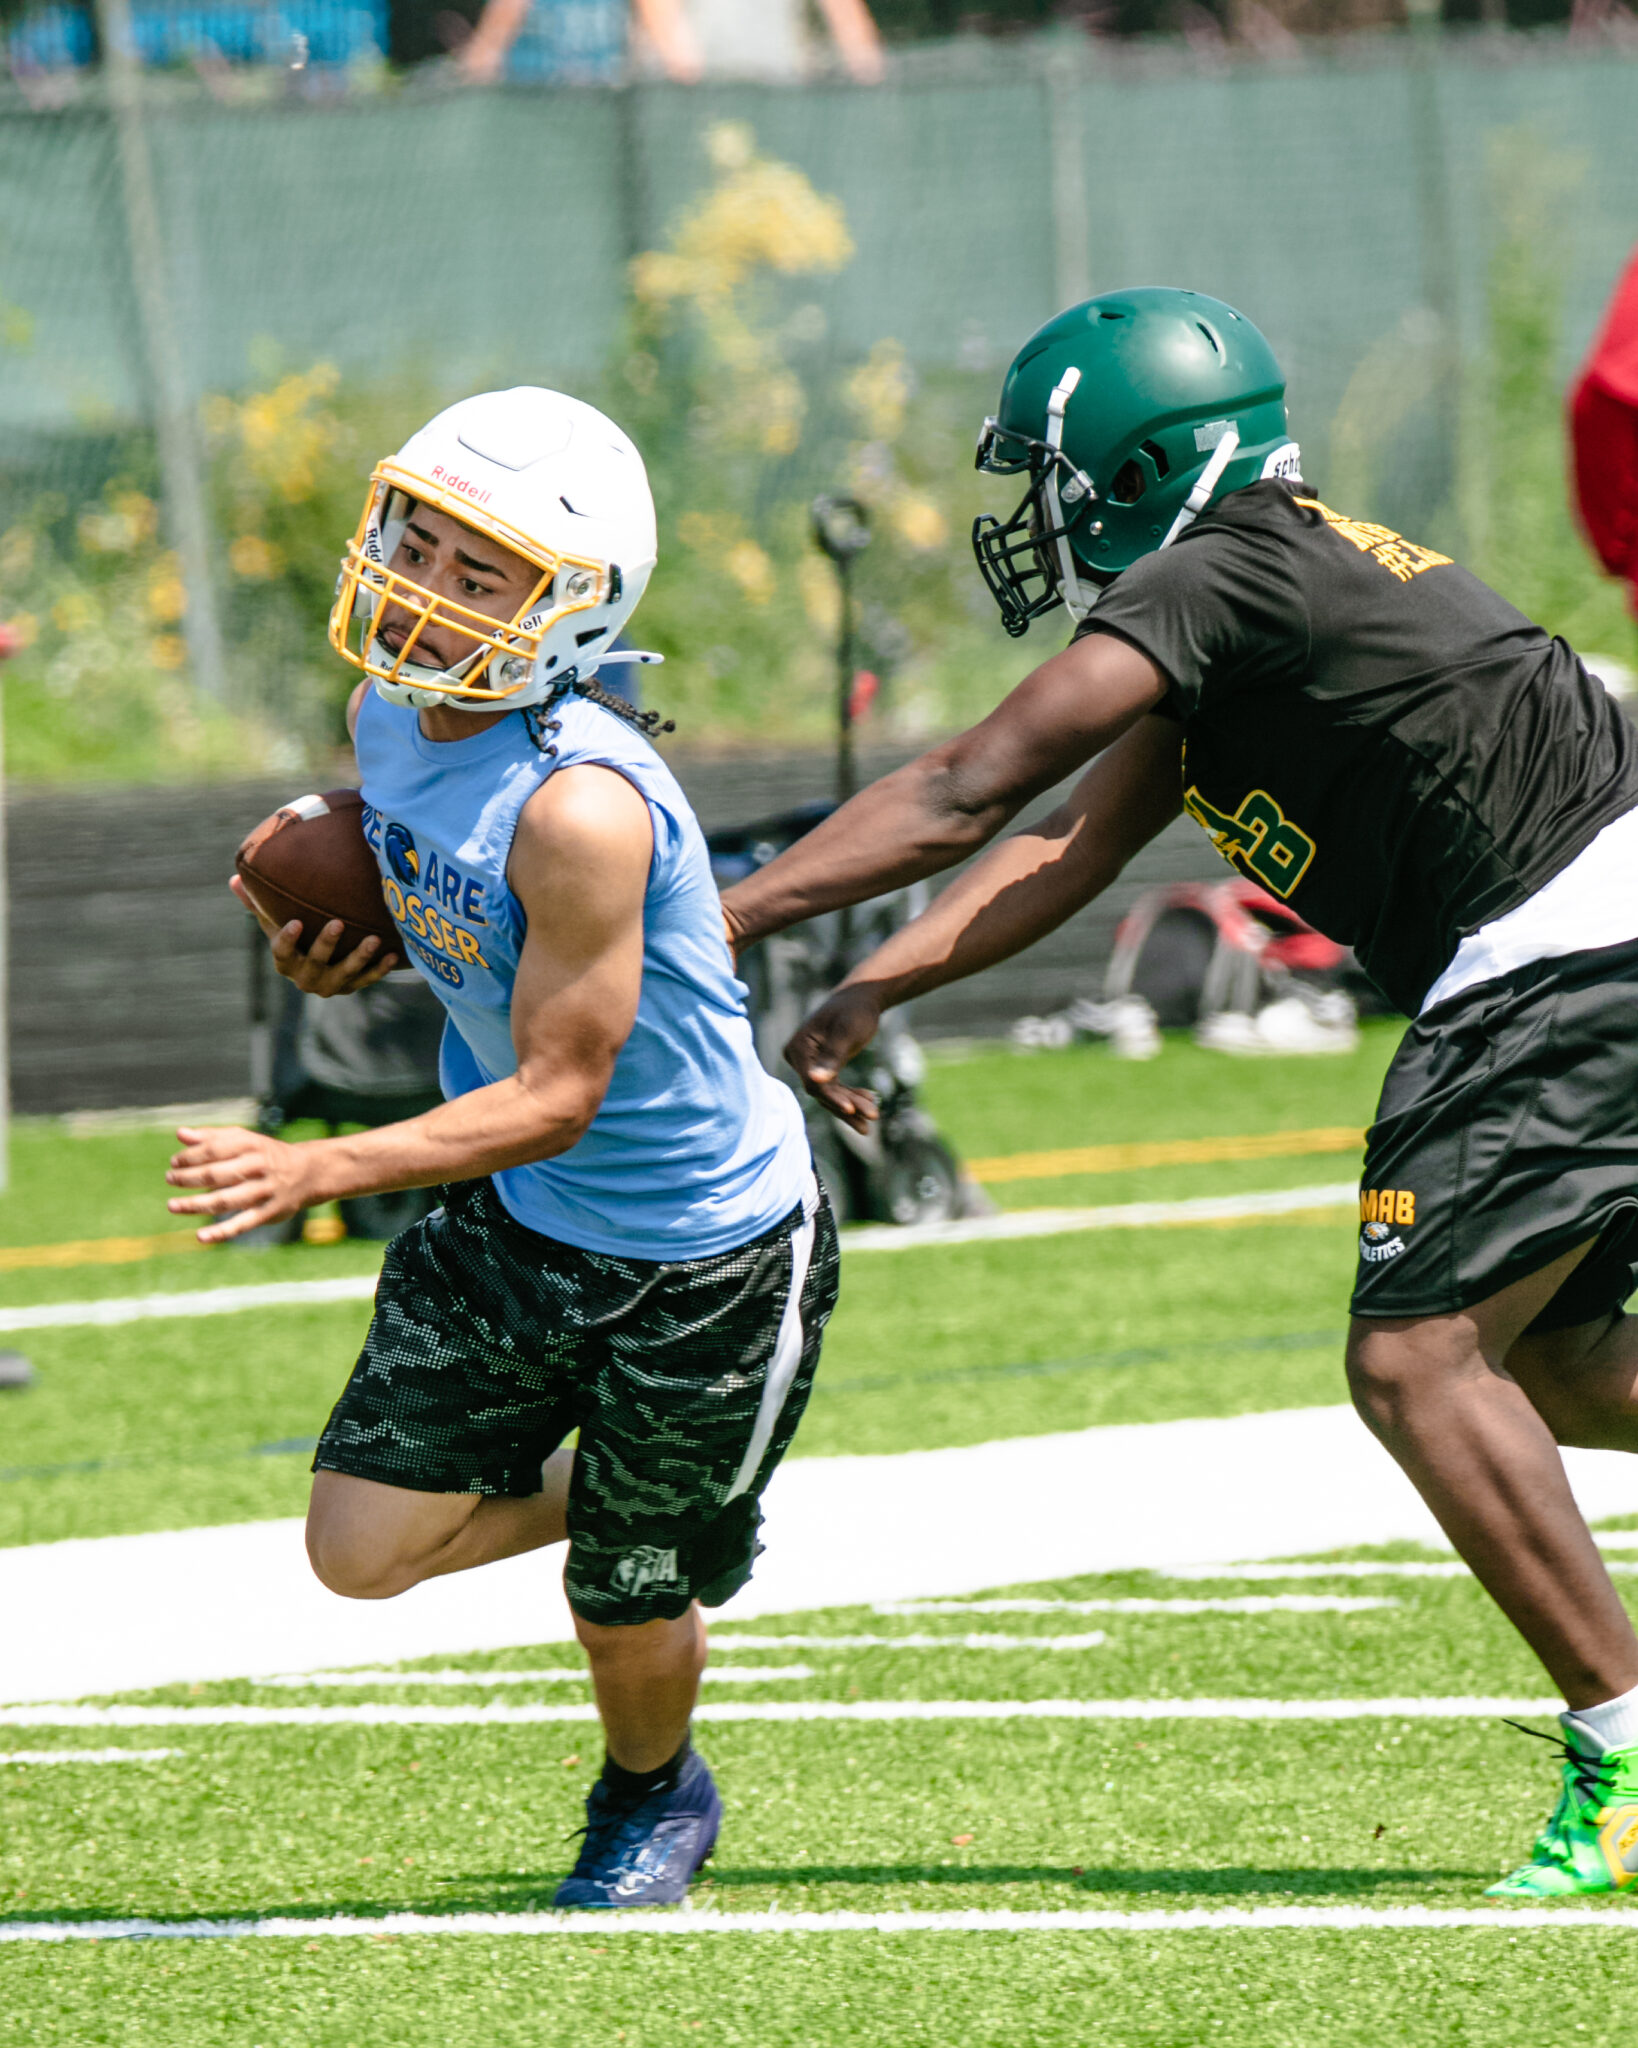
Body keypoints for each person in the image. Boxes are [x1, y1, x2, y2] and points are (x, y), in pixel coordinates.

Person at [719, 288, 1638, 1900]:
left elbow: (960, 787)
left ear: (1138, 466)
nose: (1038, 511)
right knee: (1553, 1362)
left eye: (1052, 474)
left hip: (1560, 947)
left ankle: (1625, 1754)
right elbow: (1069, 840)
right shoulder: (1261, 583)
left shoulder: (1215, 570)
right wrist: (878, 982)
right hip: (1594, 929)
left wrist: (704, 918)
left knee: (1416, 1361)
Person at [167, 387, 837, 1909]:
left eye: (483, 573)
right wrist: (341, 949)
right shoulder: (385, 712)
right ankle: (668, 1492)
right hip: (528, 1217)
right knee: (357, 1550)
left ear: (572, 610)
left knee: (624, 1599)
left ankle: (650, 1793)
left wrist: (318, 1165)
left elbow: (558, 1091)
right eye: (419, 542)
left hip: (702, 1248)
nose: (426, 587)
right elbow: (442, 903)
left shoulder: (583, 806)